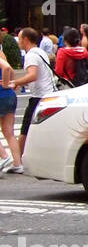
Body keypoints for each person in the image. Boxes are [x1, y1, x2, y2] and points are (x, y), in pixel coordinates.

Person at [7, 26, 56, 166]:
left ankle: (18, 160)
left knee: (25, 128)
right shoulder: (40, 52)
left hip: (39, 97)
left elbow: (32, 75)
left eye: (20, 38)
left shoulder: (31, 55)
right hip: (48, 94)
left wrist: (16, 82)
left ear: (26, 39)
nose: (18, 41)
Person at [0, 57, 18, 173]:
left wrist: (5, 84)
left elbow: (7, 68)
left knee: (8, 131)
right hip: (9, 95)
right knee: (9, 132)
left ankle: (4, 156)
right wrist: (8, 83)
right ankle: (17, 163)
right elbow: (9, 68)